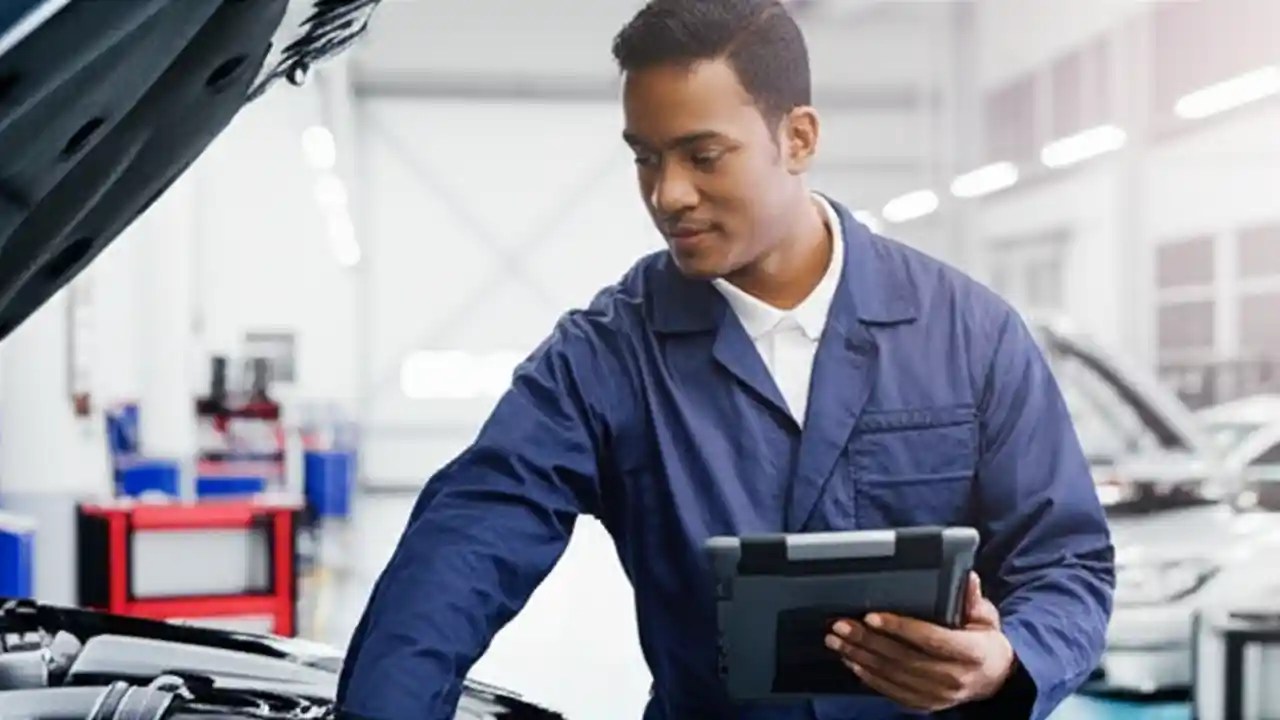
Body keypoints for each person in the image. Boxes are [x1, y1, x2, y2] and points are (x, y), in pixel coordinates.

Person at [335, 1, 1115, 718]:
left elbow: (1066, 560)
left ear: (798, 137)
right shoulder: (605, 359)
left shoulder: (970, 334)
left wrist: (1005, 661)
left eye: (703, 155)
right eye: (645, 157)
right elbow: (463, 550)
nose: (668, 194)